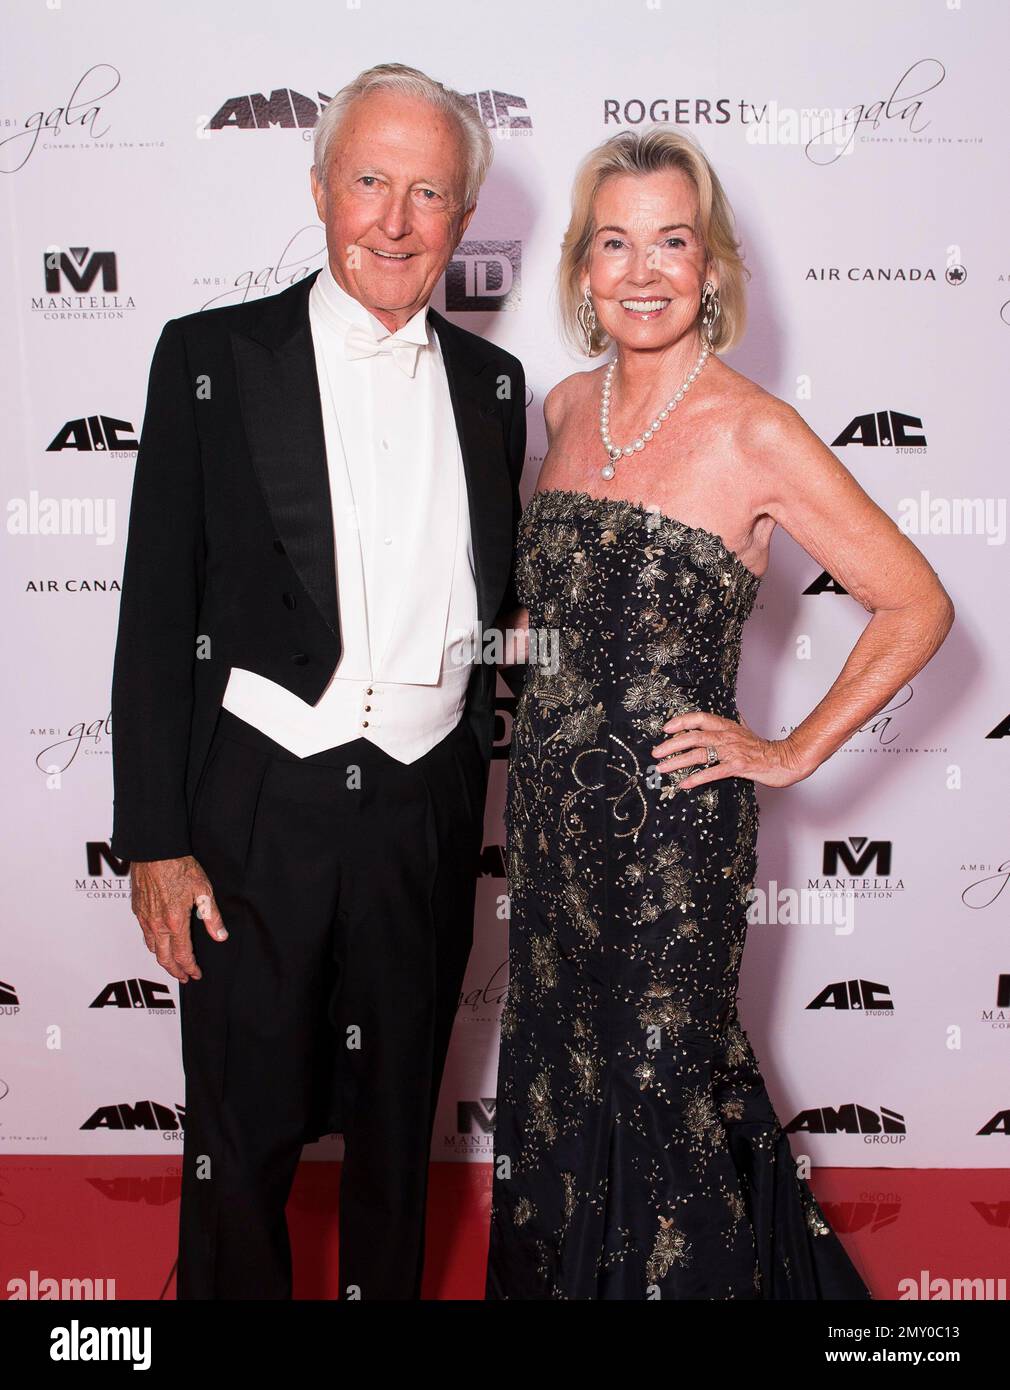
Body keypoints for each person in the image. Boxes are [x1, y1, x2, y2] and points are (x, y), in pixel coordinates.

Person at [486, 126, 953, 1299]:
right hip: (546, 830)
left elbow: (913, 603)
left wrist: (790, 750)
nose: (642, 271)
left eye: (670, 243)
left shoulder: (756, 431)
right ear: (582, 272)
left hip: (669, 839)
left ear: (710, 267)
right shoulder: (560, 411)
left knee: (664, 1093)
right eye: (614, 243)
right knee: (555, 1083)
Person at [110, 62, 526, 1300]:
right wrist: (152, 841)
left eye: (428, 194)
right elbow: (154, 612)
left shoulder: (494, 389)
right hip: (253, 816)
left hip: (419, 815)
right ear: (317, 188)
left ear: (461, 219)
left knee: (400, 1136)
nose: (394, 222)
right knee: (239, 1150)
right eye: (368, 182)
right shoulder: (209, 356)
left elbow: (492, 609)